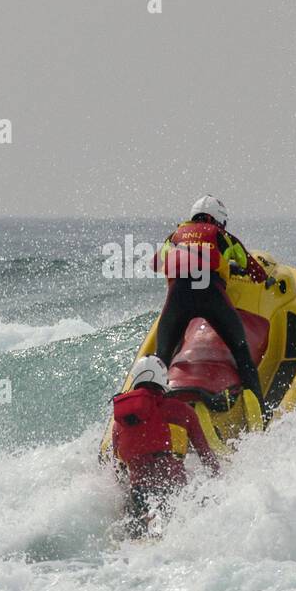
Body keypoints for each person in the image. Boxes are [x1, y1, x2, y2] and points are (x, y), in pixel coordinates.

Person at [152, 195, 268, 409]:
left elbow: (155, 264)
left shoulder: (174, 237)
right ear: (220, 220)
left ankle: (152, 407)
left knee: (161, 359)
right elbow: (257, 272)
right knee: (242, 354)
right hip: (212, 299)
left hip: (178, 302)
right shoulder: (223, 236)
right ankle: (260, 414)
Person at [110, 356, 223, 505]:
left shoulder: (120, 422)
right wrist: (222, 485)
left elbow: (118, 469)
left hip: (139, 494)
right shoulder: (181, 410)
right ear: (162, 379)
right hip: (175, 490)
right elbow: (206, 456)